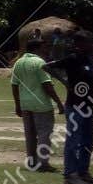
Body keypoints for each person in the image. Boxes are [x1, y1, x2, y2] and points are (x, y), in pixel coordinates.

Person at [47, 32, 93, 184]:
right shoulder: (72, 59)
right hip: (75, 106)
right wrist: (65, 82)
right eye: (89, 42)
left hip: (88, 106)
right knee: (74, 140)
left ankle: (83, 171)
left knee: (88, 140)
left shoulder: (89, 59)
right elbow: (47, 66)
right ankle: (70, 174)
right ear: (79, 44)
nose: (92, 45)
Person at [12, 38, 65, 176]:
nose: (47, 50)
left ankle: (31, 162)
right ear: (37, 48)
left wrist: (17, 105)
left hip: (25, 104)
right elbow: (47, 85)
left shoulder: (18, 62)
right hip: (41, 104)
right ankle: (43, 163)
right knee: (44, 134)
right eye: (44, 47)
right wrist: (59, 103)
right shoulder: (40, 62)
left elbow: (14, 85)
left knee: (30, 135)